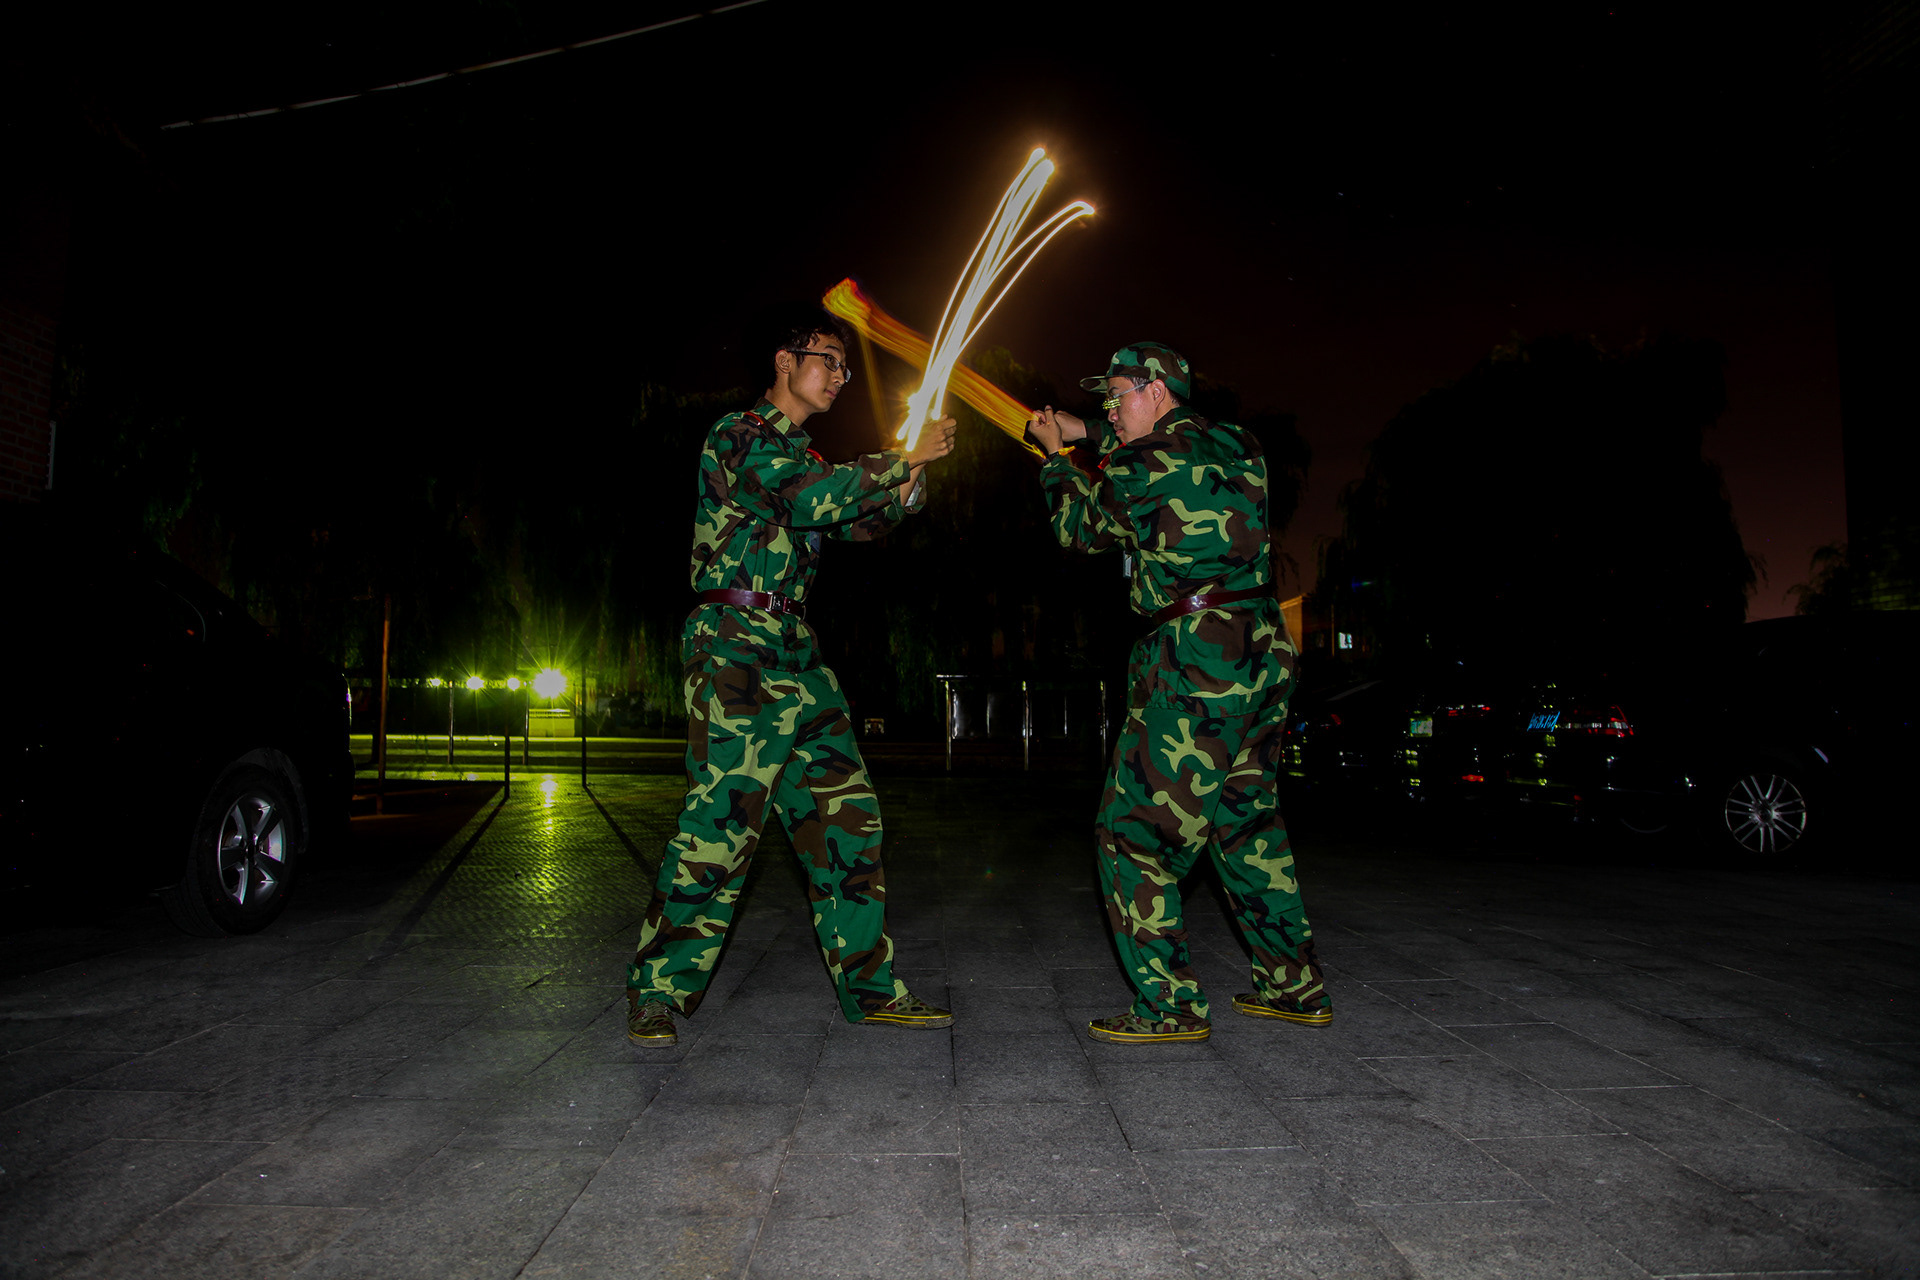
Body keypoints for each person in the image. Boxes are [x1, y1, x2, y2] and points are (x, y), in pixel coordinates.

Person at [626, 308, 958, 1046]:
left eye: (844, 366)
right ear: (785, 361)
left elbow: (856, 521)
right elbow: (809, 499)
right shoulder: (739, 436)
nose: (840, 377)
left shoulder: (807, 457)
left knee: (849, 817)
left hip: (795, 647)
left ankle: (872, 990)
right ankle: (658, 991)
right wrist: (899, 457)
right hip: (735, 643)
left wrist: (914, 475)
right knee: (721, 825)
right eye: (829, 362)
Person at [1028, 343, 1331, 1044]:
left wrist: (1054, 459)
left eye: (1118, 395)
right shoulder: (1238, 441)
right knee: (1244, 825)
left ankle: (1169, 1007)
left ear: (1156, 390)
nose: (1108, 407)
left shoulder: (1139, 466)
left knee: (1132, 833)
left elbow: (1082, 528)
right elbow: (1160, 448)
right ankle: (1295, 987)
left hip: (1194, 658)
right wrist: (1087, 430)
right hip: (1261, 646)